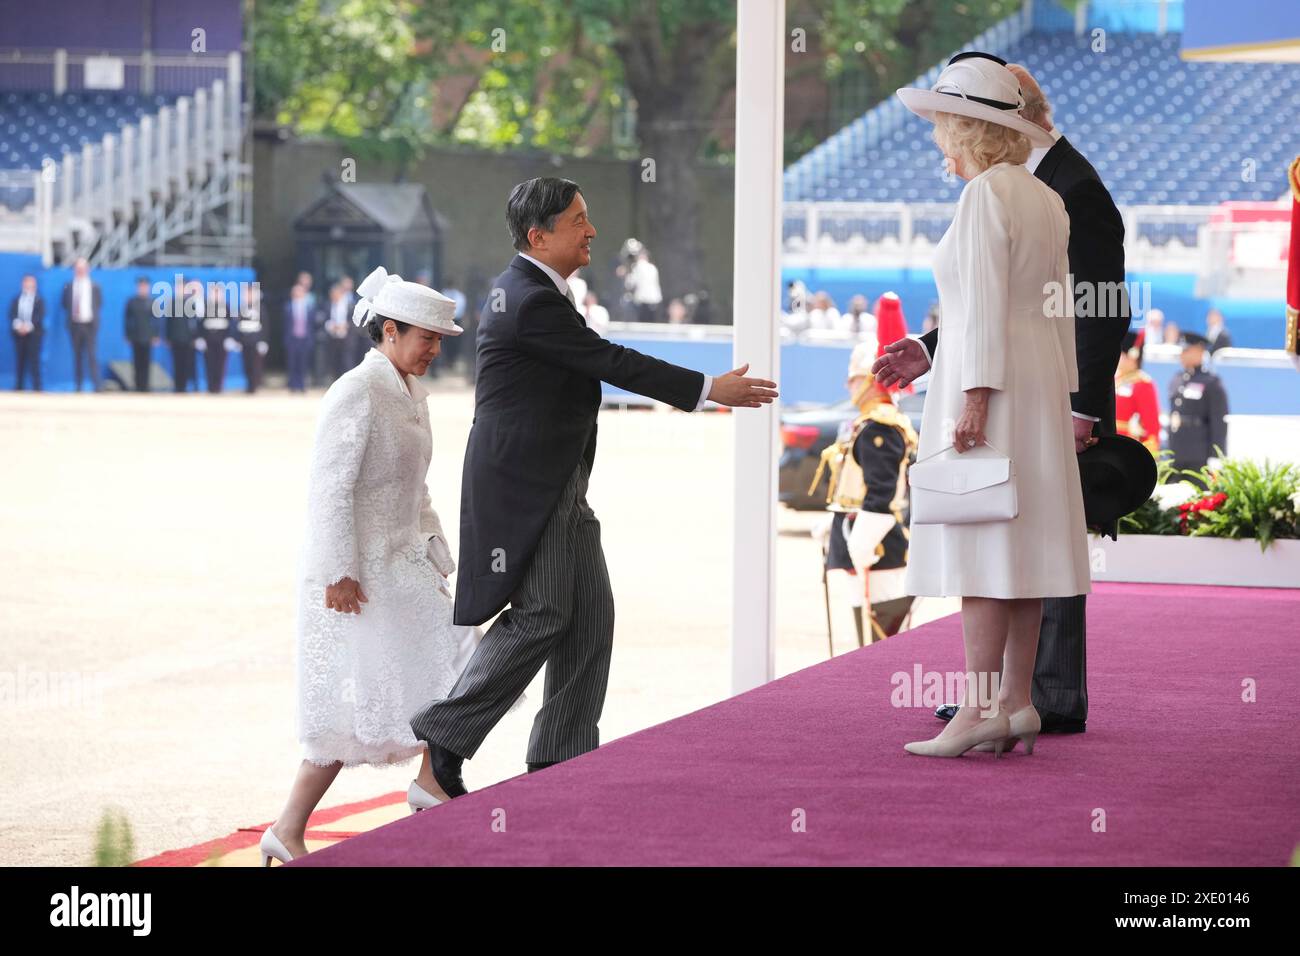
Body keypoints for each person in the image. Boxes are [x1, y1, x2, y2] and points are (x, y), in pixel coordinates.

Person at [406, 177, 778, 800]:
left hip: (555, 478)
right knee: (544, 611)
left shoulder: (528, 290)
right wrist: (710, 390)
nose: (592, 231)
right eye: (579, 220)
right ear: (539, 236)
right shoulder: (529, 298)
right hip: (532, 484)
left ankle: (561, 764)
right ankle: (440, 754)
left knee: (589, 617)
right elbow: (609, 361)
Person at [876, 57, 1128, 739]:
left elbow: (986, 306)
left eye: (941, 128)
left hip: (992, 393)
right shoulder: (1043, 198)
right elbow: (1054, 313)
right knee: (1023, 555)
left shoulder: (987, 196)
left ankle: (978, 709)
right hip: (1037, 390)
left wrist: (975, 400)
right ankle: (1016, 704)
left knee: (984, 555)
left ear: (968, 130)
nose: (937, 142)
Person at [259, 267, 491, 865]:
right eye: (428, 339)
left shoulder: (413, 396)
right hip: (357, 576)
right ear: (390, 331)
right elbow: (329, 490)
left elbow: (418, 492)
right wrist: (339, 571)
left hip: (406, 563)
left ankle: (431, 779)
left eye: (442, 340)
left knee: (464, 655)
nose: (437, 350)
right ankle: (289, 829)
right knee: (350, 702)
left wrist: (440, 555)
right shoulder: (354, 392)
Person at [809, 343, 917, 647]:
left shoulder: (879, 426)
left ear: (872, 380)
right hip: (860, 534)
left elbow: (881, 493)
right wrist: (836, 522)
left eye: (854, 378)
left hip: (875, 544)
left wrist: (862, 540)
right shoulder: (868, 424)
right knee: (866, 627)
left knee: (880, 632)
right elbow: (855, 487)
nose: (848, 385)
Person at [1167, 330, 1228, 479]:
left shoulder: (1211, 382)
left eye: (1186, 350)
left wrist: (1216, 455)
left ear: (1199, 351)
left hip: (1198, 453)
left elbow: (1218, 421)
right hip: (1176, 450)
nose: (1182, 355)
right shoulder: (1178, 379)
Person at [1115, 329, 1160, 454]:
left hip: (1128, 444)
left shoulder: (1143, 384)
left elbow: (1151, 424)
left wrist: (1150, 452)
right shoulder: (1115, 379)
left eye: (1122, 355)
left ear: (1132, 356)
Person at [61, 258, 102, 392]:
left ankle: (97, 386)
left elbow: (99, 303)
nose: (80, 271)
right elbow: (65, 304)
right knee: (77, 355)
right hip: (75, 325)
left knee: (92, 355)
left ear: (87, 270)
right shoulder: (69, 286)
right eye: (78, 268)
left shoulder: (94, 286)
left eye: (83, 268)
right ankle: (78, 386)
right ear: (75, 270)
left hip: (90, 325)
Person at [123, 276, 159, 393]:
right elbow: (127, 320)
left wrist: (156, 335)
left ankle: (145, 386)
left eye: (145, 286)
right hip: (135, 336)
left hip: (148, 337)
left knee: (146, 362)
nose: (143, 288)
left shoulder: (152, 302)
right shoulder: (132, 302)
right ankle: (137, 386)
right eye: (141, 286)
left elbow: (156, 321)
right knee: (136, 362)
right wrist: (127, 335)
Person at [9, 273, 44, 391]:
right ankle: (18, 386)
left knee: (34, 361)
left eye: (31, 283)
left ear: (35, 285)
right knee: (20, 361)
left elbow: (40, 316)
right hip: (19, 335)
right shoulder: (17, 299)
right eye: (26, 283)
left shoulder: (39, 300)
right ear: (23, 284)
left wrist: (28, 326)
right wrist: (19, 326)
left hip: (34, 335)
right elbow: (12, 314)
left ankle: (37, 387)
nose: (28, 285)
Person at [166, 281, 200, 393]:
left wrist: (194, 338)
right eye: (178, 287)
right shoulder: (171, 303)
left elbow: (194, 323)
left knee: (187, 364)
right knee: (177, 363)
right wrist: (168, 337)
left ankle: (186, 386)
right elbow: (168, 322)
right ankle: (178, 386)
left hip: (188, 339)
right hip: (175, 339)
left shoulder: (191, 304)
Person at [283, 283, 317, 393]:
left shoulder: (309, 307)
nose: (298, 293)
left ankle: (302, 385)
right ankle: (293, 385)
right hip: (292, 339)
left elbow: (312, 324)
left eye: (300, 291)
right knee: (292, 363)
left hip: (305, 338)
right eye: (295, 291)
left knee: (303, 363)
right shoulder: (288, 307)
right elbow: (284, 325)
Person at [236, 284, 268, 393]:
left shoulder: (260, 308)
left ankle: (254, 386)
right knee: (247, 365)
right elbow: (238, 325)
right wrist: (238, 341)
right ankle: (249, 386)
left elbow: (265, 325)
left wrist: (263, 341)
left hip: (256, 341)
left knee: (255, 365)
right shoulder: (241, 308)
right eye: (246, 293)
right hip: (245, 341)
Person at [322, 283, 352, 382]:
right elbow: (325, 321)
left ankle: (347, 382)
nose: (334, 297)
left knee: (346, 362)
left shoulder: (348, 306)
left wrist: (345, 325)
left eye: (336, 294)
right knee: (333, 362)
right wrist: (332, 326)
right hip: (332, 338)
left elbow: (353, 322)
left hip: (346, 339)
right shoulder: (328, 305)